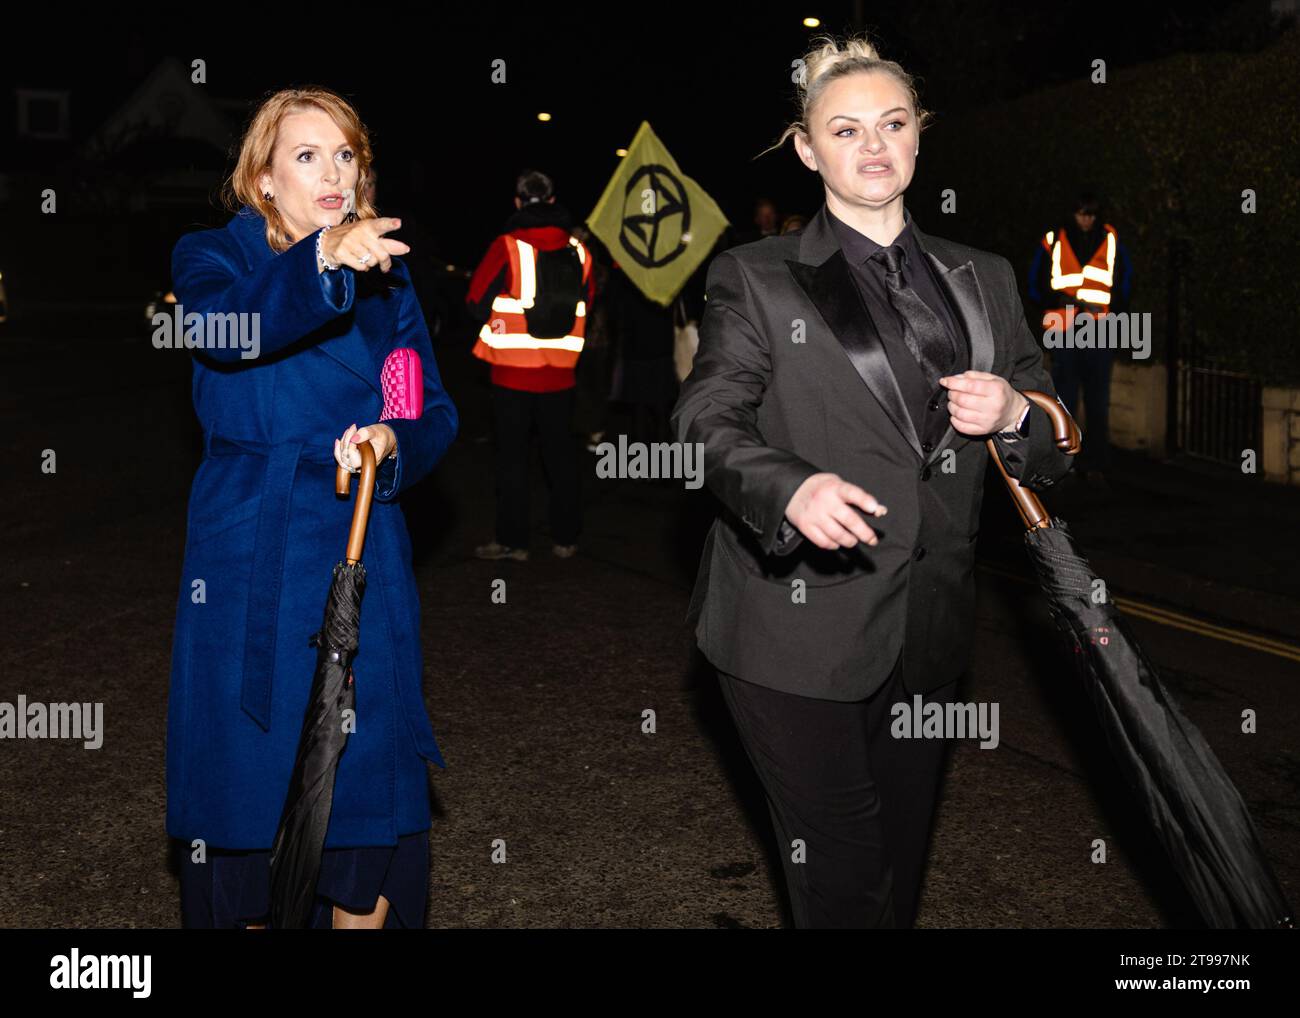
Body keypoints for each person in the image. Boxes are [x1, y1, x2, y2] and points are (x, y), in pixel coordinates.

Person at [672, 34, 1076, 928]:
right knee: (846, 881)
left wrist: (1014, 410)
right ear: (809, 150)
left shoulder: (988, 277)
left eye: (892, 123)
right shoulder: (755, 275)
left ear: (920, 136)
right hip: (791, 627)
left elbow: (1054, 441)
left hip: (928, 632)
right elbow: (704, 421)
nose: (873, 146)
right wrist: (789, 489)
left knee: (895, 872)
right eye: (844, 130)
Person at [166, 87, 458, 929]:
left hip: (360, 547)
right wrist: (325, 254)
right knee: (247, 812)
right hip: (248, 554)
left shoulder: (389, 280)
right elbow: (231, 331)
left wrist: (391, 441)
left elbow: (425, 406)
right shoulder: (209, 257)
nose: (333, 172)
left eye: (346, 156)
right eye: (307, 156)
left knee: (362, 819)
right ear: (264, 179)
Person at [466, 169, 593, 561]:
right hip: (560, 375)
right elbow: (588, 302)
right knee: (560, 457)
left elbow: (474, 302)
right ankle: (566, 538)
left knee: (512, 459)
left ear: (518, 202)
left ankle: (513, 542)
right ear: (552, 201)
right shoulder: (580, 250)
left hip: (511, 374)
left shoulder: (506, 246)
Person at [1027, 190, 1133, 483]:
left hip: (1100, 331)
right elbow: (1034, 285)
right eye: (1081, 213)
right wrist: (1057, 299)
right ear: (1072, 214)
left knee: (1098, 401)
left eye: (1091, 214)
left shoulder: (1111, 239)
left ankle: (1097, 462)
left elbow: (1125, 283)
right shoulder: (1053, 240)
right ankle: (1066, 463)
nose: (1086, 220)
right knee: (1066, 400)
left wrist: (1114, 313)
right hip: (1064, 331)